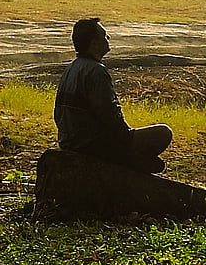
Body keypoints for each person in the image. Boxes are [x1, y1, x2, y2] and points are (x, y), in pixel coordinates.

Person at [54, 18, 173, 173]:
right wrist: (126, 138)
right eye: (104, 36)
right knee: (163, 133)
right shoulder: (96, 71)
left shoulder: (71, 68)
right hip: (92, 144)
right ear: (94, 44)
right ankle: (122, 161)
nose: (108, 38)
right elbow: (108, 113)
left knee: (152, 162)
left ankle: (131, 161)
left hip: (70, 142)